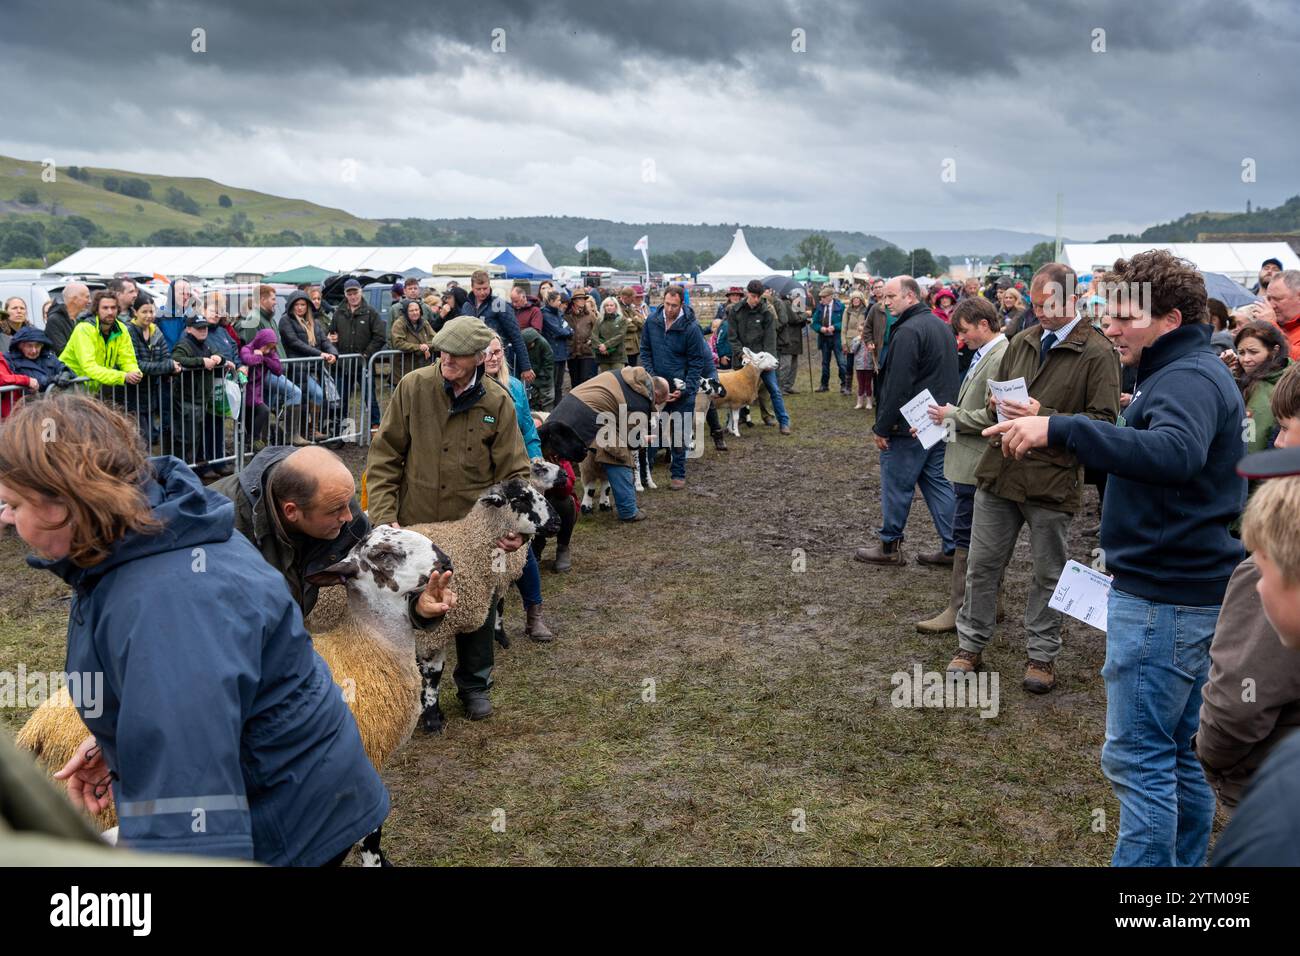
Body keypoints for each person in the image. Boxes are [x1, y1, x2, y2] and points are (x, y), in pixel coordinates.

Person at [0, 395, 388, 864]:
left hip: (290, 820)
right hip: (295, 789)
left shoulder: (164, 598)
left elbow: (192, 817)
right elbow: (196, 704)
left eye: (13, 503)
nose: (5, 516)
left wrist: (164, 735)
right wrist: (134, 736)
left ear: (66, 501)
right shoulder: (166, 533)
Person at [987, 250, 1246, 866]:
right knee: (1176, 752)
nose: (1109, 326)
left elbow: (1174, 453)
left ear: (1170, 318)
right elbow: (1144, 451)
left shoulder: (1185, 377)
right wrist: (1053, 420)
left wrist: (1064, 431)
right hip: (1183, 592)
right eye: (1105, 313)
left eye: (1124, 316)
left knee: (1140, 758)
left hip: (1164, 599)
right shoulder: (1185, 369)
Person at [946, 263, 1121, 693]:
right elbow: (998, 400)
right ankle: (970, 644)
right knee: (982, 566)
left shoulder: (1098, 353)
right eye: (1035, 305)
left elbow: (1104, 425)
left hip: (1051, 480)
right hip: (1001, 471)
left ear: (1072, 299)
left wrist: (1042, 416)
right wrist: (996, 405)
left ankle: (1042, 655)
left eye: (1048, 305)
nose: (1040, 313)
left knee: (1049, 573)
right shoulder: (1023, 340)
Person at [366, 316, 531, 721]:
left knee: (478, 604)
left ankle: (475, 684)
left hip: (472, 531)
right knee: (412, 606)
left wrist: (514, 528)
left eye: (455, 355)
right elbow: (386, 456)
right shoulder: (413, 388)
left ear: (478, 357)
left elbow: (515, 473)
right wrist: (386, 519)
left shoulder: (497, 402)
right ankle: (416, 691)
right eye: (442, 352)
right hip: (417, 525)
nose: (446, 361)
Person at [1197, 381, 1300, 814]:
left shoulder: (1282, 543)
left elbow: (1241, 701)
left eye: (1284, 427)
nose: (1276, 441)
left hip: (1271, 789)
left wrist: (1213, 756)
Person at [1211, 460, 1300, 865]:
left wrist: (1213, 758)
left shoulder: (1283, 807)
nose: (1257, 584)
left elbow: (1238, 707)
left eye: (1262, 569)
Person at [914, 297, 1009, 634]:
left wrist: (951, 415)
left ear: (984, 324)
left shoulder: (1000, 357)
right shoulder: (990, 353)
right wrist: (944, 417)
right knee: (981, 534)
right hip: (973, 459)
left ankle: (960, 607)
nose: (962, 338)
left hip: (977, 462)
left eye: (965, 331)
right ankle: (988, 603)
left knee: (967, 534)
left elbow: (996, 415)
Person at [854, 276, 958, 567]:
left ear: (910, 296)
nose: (885, 303)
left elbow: (897, 385)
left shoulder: (908, 331)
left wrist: (883, 427)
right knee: (937, 483)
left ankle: (889, 546)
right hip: (938, 418)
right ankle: (954, 548)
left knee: (897, 484)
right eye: (883, 298)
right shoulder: (941, 326)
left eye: (891, 297)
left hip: (908, 425)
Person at [210, 444, 371, 617]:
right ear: (291, 511)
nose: (348, 517)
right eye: (335, 510)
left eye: (349, 501)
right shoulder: (220, 529)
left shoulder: (337, 501)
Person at [482, 334, 555, 642]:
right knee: (480, 547)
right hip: (479, 480)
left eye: (497, 352)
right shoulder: (469, 390)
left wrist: (535, 452)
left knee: (519, 546)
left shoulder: (514, 387)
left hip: (513, 475)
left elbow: (526, 425)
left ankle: (533, 614)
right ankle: (482, 619)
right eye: (486, 353)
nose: (493, 358)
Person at [542, 365, 670, 521]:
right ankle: (629, 511)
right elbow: (631, 440)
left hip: (565, 412)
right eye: (659, 402)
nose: (656, 407)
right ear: (655, 394)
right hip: (587, 418)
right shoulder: (638, 400)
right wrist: (643, 440)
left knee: (541, 460)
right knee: (620, 456)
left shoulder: (625, 377)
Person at [640, 285, 717, 490]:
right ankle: (644, 472)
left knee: (680, 432)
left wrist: (685, 389)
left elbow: (696, 362)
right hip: (657, 387)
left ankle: (678, 473)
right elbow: (645, 351)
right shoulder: (652, 322)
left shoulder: (691, 328)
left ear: (681, 304)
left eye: (674, 305)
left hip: (681, 387)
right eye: (666, 304)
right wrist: (652, 378)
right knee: (651, 429)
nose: (670, 309)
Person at [171, 313, 235, 478]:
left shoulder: (206, 343)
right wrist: (201, 362)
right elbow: (177, 359)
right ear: (189, 329)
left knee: (197, 437)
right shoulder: (184, 344)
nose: (203, 331)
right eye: (199, 328)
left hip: (201, 398)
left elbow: (220, 356)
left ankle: (196, 469)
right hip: (187, 398)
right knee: (186, 438)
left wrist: (218, 358)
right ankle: (183, 472)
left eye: (205, 327)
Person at [727, 280, 791, 433]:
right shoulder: (735, 311)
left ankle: (784, 422)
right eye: (753, 296)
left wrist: (768, 361)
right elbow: (732, 337)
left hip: (762, 358)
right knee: (735, 389)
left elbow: (770, 338)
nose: (756, 300)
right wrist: (742, 354)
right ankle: (735, 421)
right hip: (743, 358)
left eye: (758, 296)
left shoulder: (766, 311)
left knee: (773, 389)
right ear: (747, 293)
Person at [278, 290, 337, 443]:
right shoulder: (286, 321)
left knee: (316, 396)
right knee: (304, 398)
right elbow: (294, 343)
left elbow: (325, 341)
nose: (300, 308)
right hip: (295, 369)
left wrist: (333, 353)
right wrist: (319, 353)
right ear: (291, 306)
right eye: (296, 305)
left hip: (312, 369)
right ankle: (298, 432)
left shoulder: (314, 323)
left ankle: (311, 429)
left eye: (303, 304)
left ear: (307, 306)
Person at [329, 279, 386, 434]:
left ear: (361, 292)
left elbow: (380, 337)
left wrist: (366, 354)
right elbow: (332, 334)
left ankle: (376, 429)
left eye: (355, 293)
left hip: (364, 365)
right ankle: (340, 430)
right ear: (345, 295)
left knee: (370, 399)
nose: (353, 296)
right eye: (350, 293)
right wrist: (332, 343)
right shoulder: (338, 313)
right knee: (342, 399)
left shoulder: (371, 312)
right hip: (343, 365)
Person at [58, 291, 142, 397]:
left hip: (92, 386)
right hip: (69, 384)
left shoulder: (121, 329)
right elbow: (89, 367)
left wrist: (134, 372)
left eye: (113, 307)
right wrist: (123, 376)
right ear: (96, 310)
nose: (110, 312)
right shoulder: (84, 329)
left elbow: (128, 359)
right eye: (105, 308)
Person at [1224, 319, 1290, 454]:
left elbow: (1251, 443)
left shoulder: (1275, 386)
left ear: (1274, 351)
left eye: (1253, 352)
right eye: (1241, 353)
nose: (1246, 359)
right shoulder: (1245, 380)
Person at [460, 270, 533, 384]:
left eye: (485, 288)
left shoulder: (499, 304)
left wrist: (526, 367)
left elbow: (516, 336)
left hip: (498, 359)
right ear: (472, 287)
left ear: (489, 286)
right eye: (478, 289)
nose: (482, 292)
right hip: (475, 359)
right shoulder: (466, 306)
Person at [125, 298, 179, 451]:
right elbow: (137, 364)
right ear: (135, 312)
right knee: (139, 437)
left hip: (151, 392)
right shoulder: (128, 331)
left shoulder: (155, 330)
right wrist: (167, 366)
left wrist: (166, 365)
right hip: (132, 394)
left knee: (147, 436)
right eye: (144, 312)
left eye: (151, 311)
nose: (149, 315)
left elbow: (165, 355)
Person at [238, 329, 284, 448]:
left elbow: (278, 369)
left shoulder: (269, 353)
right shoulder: (247, 348)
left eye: (271, 348)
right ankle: (250, 442)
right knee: (249, 418)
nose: (268, 350)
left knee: (262, 412)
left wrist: (263, 357)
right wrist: (258, 356)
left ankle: (253, 441)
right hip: (244, 390)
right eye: (266, 347)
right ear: (260, 341)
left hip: (256, 392)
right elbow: (248, 359)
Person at [7, 325, 69, 391]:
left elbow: (62, 367)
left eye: (37, 346)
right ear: (20, 346)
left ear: (42, 345)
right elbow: (31, 382)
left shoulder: (48, 356)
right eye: (29, 346)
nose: (34, 350)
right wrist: (51, 380)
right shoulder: (11, 360)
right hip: (30, 400)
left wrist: (66, 372)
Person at [812, 286, 849, 394]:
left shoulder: (840, 307)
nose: (821, 299)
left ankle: (844, 385)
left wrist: (835, 326)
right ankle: (824, 385)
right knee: (825, 363)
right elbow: (814, 323)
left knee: (841, 362)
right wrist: (820, 328)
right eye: (821, 297)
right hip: (824, 339)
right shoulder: (819, 307)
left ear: (830, 297)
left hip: (837, 338)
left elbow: (845, 322)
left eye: (823, 297)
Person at [390, 297, 437, 378]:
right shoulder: (399, 324)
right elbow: (398, 343)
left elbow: (435, 339)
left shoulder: (425, 323)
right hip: (404, 367)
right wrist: (418, 347)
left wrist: (427, 346)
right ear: (406, 312)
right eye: (411, 311)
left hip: (423, 365)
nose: (415, 312)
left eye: (417, 310)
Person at [539, 290, 573, 396]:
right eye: (558, 300)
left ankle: (558, 408)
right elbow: (558, 330)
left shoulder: (558, 313)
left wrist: (566, 331)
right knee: (552, 385)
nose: (560, 303)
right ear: (551, 301)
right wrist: (566, 332)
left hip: (562, 354)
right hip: (552, 354)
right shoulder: (546, 314)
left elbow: (568, 329)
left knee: (559, 385)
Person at [43, 282, 90, 356]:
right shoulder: (55, 320)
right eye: (87, 297)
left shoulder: (81, 320)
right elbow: (62, 352)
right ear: (74, 299)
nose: (89, 301)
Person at [564, 288, 598, 388]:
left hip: (587, 353)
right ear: (574, 301)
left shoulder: (590, 315)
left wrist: (591, 340)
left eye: (584, 299)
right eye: (579, 299)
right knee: (574, 381)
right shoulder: (567, 316)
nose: (582, 301)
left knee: (586, 380)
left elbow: (598, 331)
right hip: (572, 353)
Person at [776, 290, 807, 394]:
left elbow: (800, 320)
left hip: (795, 337)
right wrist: (805, 315)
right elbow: (794, 319)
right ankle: (780, 387)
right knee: (786, 364)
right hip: (788, 338)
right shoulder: (785, 303)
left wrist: (802, 314)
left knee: (793, 364)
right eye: (796, 295)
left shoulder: (795, 303)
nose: (798, 297)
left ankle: (787, 386)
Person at [1265, 269, 1300, 359]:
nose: (1271, 306)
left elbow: (1296, 359)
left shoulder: (1271, 325)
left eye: (1277, 299)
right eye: (1268, 299)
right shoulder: (1273, 324)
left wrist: (1271, 326)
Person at [521, 326, 556, 411]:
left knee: (547, 399)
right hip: (532, 377)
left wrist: (542, 375)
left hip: (545, 377)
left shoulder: (543, 344)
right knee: (533, 399)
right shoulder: (525, 346)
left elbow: (549, 363)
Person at [591, 295, 628, 374]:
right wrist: (600, 347)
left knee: (618, 379)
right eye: (607, 305)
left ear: (615, 307)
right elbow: (594, 335)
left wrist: (606, 346)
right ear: (603, 307)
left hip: (618, 356)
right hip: (603, 356)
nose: (609, 307)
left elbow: (620, 336)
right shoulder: (599, 320)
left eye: (611, 305)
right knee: (606, 380)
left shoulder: (622, 320)